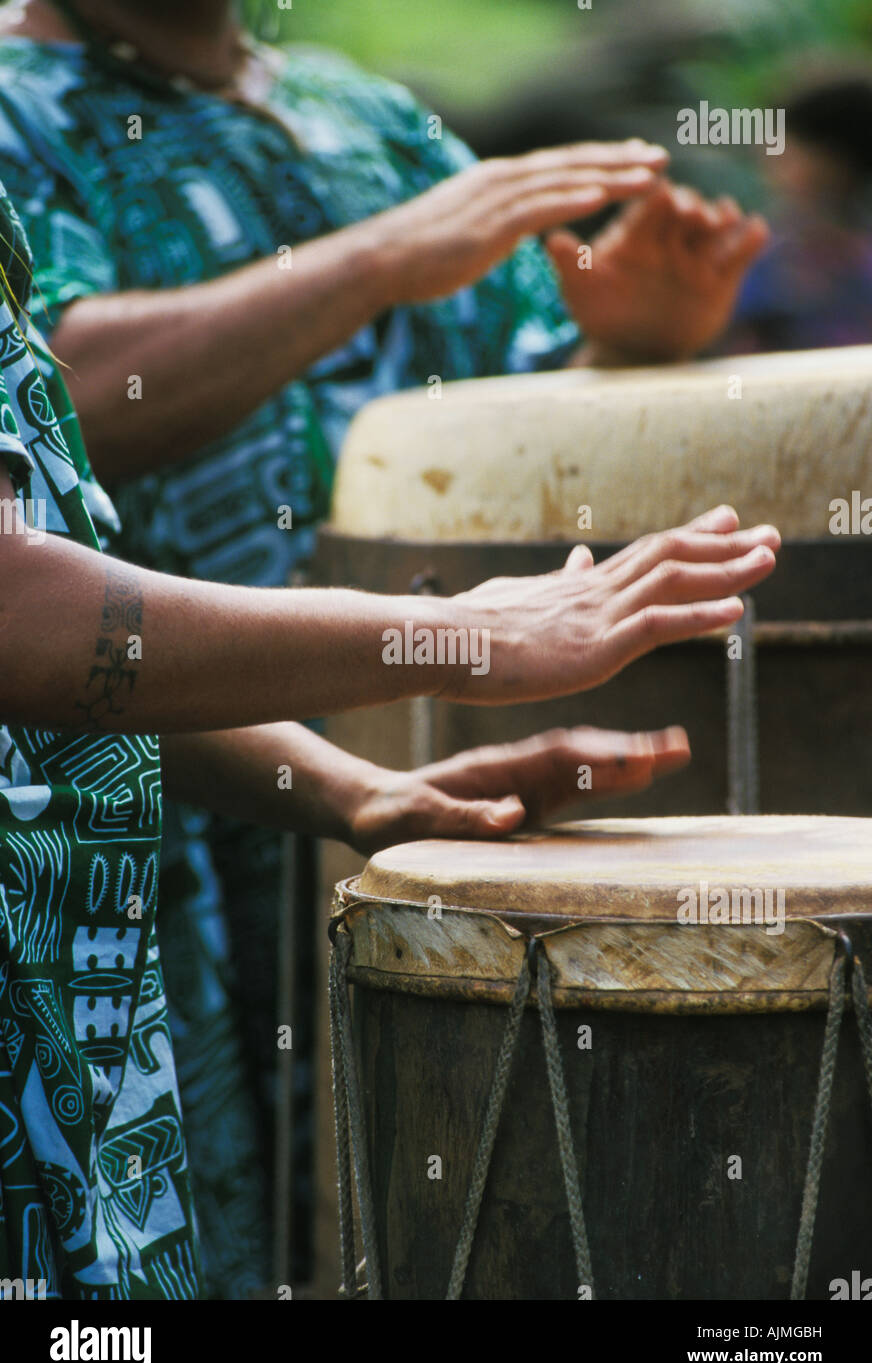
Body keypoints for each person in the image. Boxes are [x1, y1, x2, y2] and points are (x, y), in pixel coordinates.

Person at [0, 0, 771, 1295]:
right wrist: (459, 634)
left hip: (199, 791)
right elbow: (30, 577)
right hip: (145, 862)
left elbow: (41, 555)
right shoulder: (19, 107)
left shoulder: (366, 120)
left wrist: (631, 334)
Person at [724, 74, 872, 354]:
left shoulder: (762, 251)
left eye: (783, 149)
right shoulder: (763, 252)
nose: (765, 158)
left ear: (832, 160)